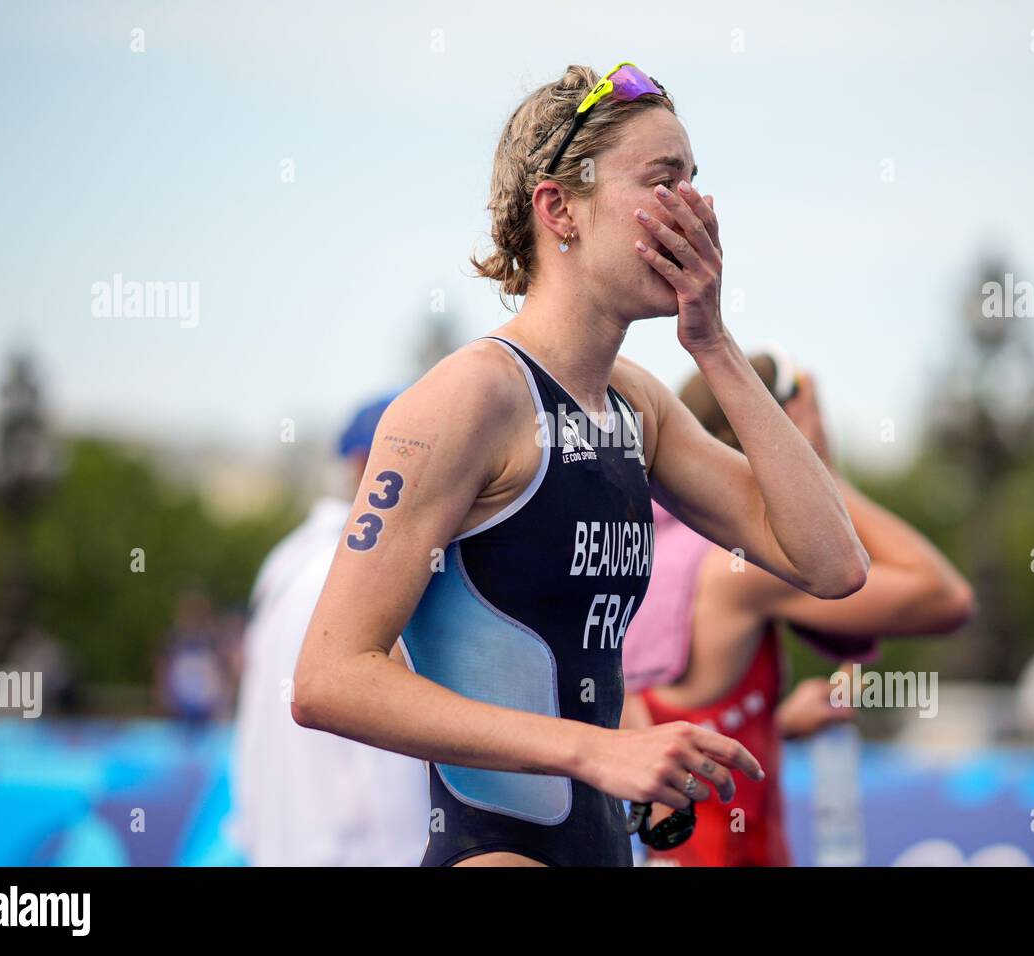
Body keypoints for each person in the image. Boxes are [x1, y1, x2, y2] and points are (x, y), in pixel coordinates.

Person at [292, 62, 870, 867]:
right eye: (663, 179)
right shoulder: (470, 399)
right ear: (559, 207)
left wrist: (713, 344)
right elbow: (326, 678)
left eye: (697, 182)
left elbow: (834, 563)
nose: (695, 208)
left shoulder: (639, 403)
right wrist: (593, 752)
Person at [624, 354, 976, 866]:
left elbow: (678, 720)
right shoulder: (736, 571)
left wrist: (777, 721)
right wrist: (822, 471)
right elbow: (945, 598)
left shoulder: (651, 546)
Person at [232, 395, 430, 866]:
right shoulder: (367, 569)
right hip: (359, 851)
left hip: (287, 845)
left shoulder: (288, 560)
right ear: (368, 462)